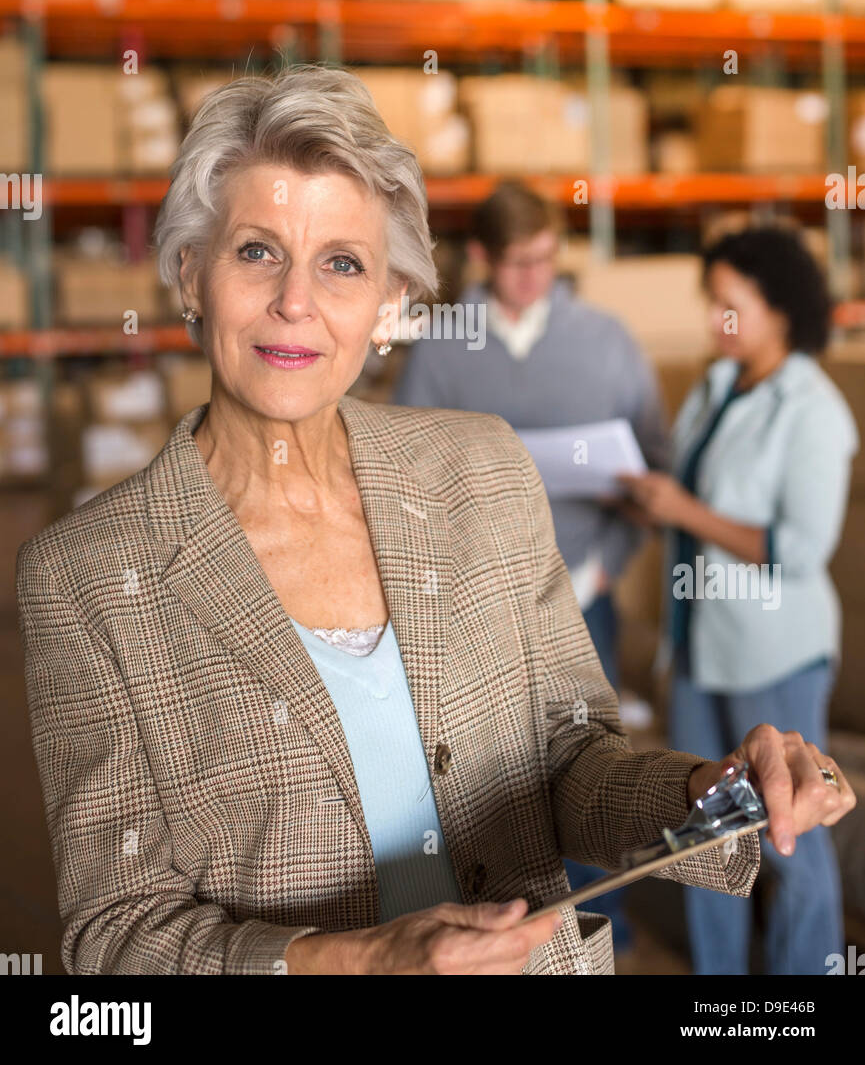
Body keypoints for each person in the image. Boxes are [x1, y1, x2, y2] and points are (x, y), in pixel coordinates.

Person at [17, 71, 854, 975]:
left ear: (388, 308)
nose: (296, 300)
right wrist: (361, 959)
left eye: (342, 262)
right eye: (257, 251)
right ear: (190, 273)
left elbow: (570, 760)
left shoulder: (482, 473)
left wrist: (710, 788)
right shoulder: (86, 576)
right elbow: (117, 935)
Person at [392, 181, 668, 952]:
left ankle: (600, 936)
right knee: (492, 777)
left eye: (547, 259)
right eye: (517, 264)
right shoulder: (444, 344)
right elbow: (405, 468)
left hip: (587, 594)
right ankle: (517, 944)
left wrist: (607, 568)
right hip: (477, 606)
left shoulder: (606, 341)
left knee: (592, 766)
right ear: (480, 258)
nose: (534, 277)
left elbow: (655, 469)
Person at [620, 224, 858, 976]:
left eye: (729, 306)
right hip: (698, 646)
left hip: (774, 652)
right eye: (711, 305)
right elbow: (688, 495)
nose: (714, 321)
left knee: (787, 836)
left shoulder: (813, 410)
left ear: (779, 310)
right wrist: (652, 506)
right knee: (704, 840)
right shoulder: (716, 387)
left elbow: (797, 549)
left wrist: (682, 511)